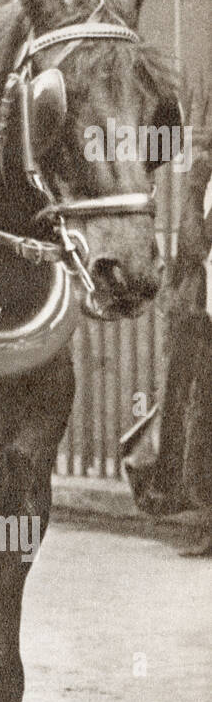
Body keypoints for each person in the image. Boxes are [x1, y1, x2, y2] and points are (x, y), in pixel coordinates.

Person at [121, 132, 212, 555]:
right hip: (200, 322)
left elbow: (193, 247)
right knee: (196, 423)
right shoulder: (203, 192)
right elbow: (190, 252)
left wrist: (196, 187)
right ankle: (205, 518)